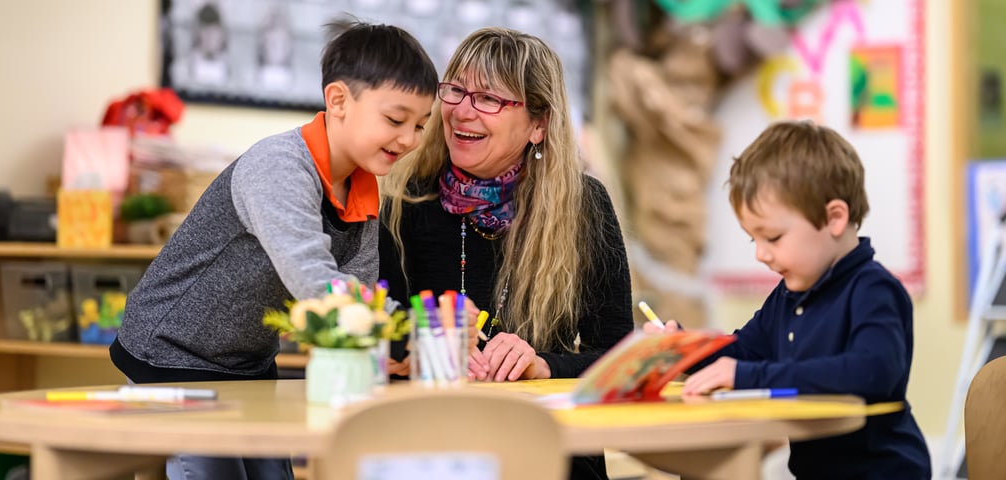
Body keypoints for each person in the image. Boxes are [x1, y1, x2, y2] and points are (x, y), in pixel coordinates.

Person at [111, 21, 439, 480]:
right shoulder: (279, 166)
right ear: (339, 100)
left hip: (246, 362)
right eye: (396, 119)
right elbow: (310, 273)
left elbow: (360, 289)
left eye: (421, 125)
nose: (409, 140)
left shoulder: (363, 186)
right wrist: (387, 334)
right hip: (173, 357)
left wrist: (390, 342)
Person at [379, 27, 634, 480]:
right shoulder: (406, 200)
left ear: (538, 124)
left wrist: (542, 364)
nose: (461, 111)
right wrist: (427, 348)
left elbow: (616, 356)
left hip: (545, 451)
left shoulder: (583, 205)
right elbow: (378, 333)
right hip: (428, 446)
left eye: (489, 99)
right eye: (456, 90)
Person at [653, 120, 931, 479]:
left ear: (834, 218)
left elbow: (871, 372)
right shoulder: (787, 296)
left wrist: (749, 377)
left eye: (772, 237)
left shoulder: (873, 290)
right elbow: (744, 352)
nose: (761, 255)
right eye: (754, 240)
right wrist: (683, 349)